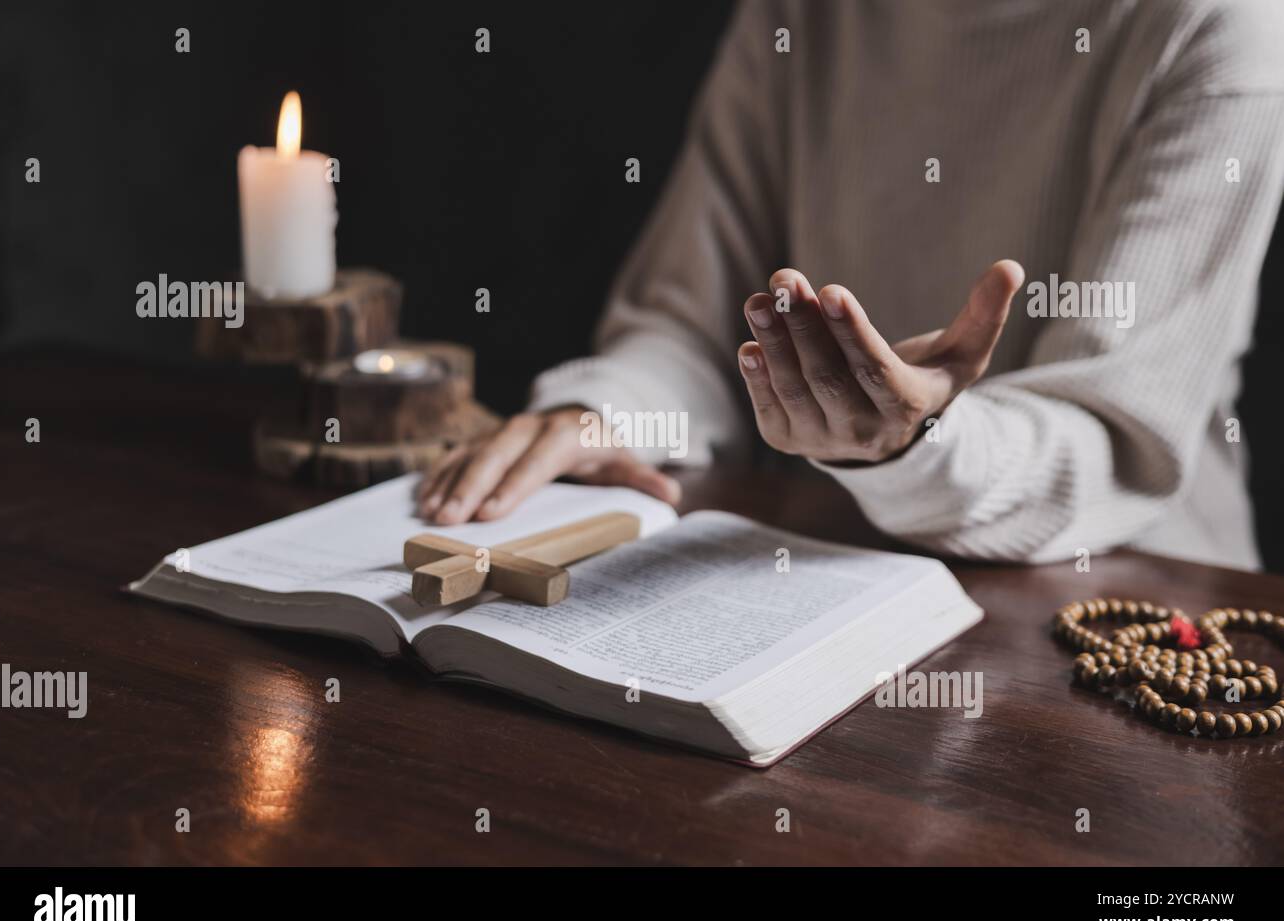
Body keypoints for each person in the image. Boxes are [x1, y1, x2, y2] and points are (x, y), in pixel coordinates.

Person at [420, 0, 1284, 570]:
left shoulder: (1221, 26)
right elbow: (692, 331)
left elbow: (1110, 445)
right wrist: (609, 415)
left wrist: (916, 439)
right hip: (817, 583)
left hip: (1134, 611)